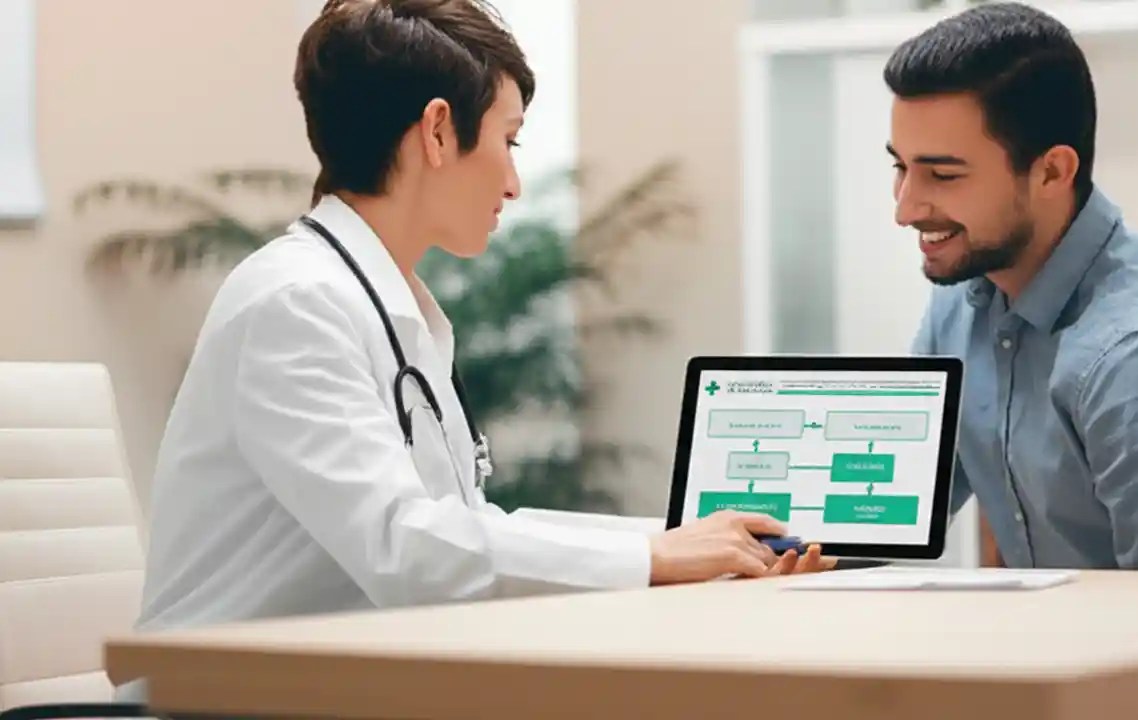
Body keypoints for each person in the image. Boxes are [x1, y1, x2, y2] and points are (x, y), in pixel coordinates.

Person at [127, 0, 832, 659]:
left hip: (344, 671)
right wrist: (656, 557)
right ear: (437, 131)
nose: (515, 184)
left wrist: (684, 544)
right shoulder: (293, 302)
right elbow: (405, 546)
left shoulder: (384, 301)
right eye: (510, 139)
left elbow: (467, 527)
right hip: (220, 687)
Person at [889, 2, 1138, 570]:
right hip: (1052, 649)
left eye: (943, 175)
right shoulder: (963, 300)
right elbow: (901, 507)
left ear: (1052, 172)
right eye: (899, 167)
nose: (905, 209)